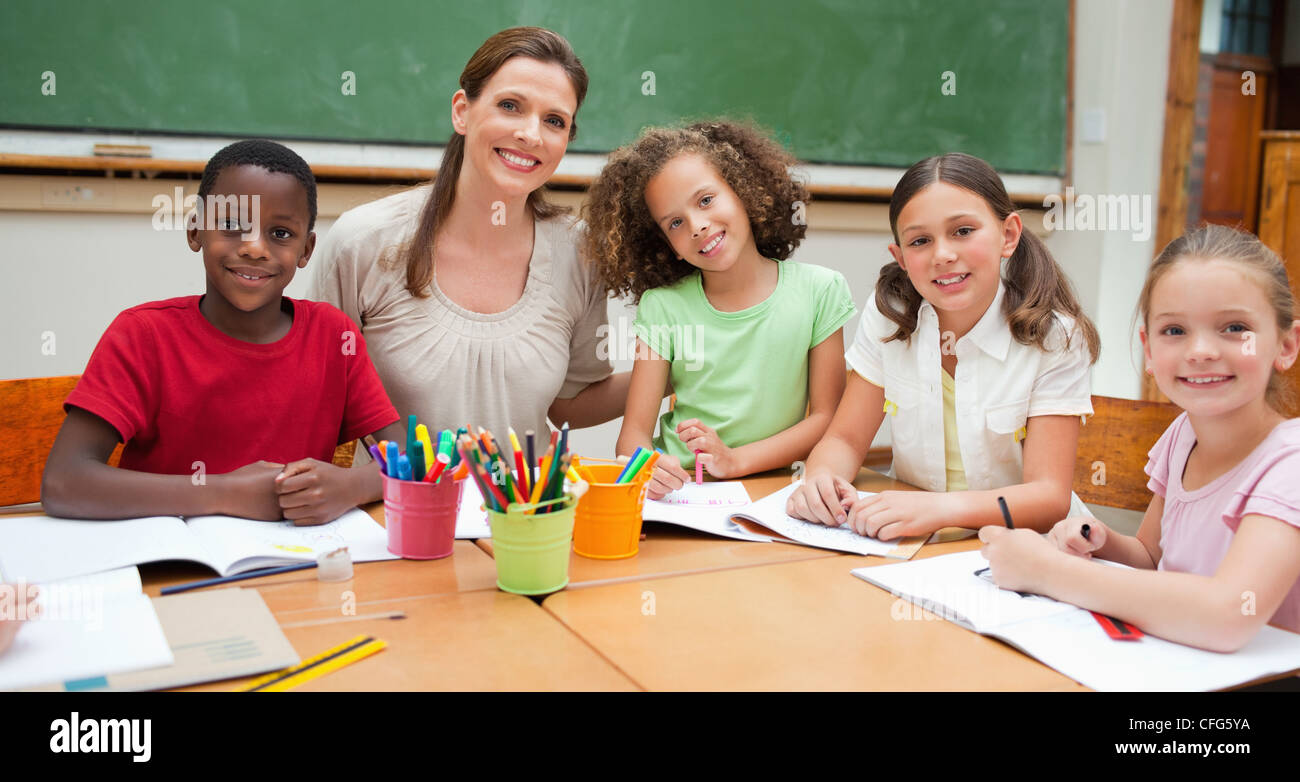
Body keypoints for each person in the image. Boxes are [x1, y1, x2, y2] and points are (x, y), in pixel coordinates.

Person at [42, 140, 402, 525]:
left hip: (296, 567)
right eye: (231, 225)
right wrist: (227, 492)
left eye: (280, 233)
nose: (254, 248)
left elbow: (409, 459)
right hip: (172, 567)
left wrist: (350, 487)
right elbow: (64, 482)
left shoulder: (333, 337)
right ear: (195, 230)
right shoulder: (144, 336)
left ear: (306, 249)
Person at [981, 225, 1300, 651]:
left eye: (1234, 327)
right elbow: (1151, 558)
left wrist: (1046, 572)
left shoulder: (1289, 465)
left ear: (1286, 344)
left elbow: (1229, 615)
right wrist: (1099, 539)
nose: (1200, 350)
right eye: (1175, 331)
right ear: (1149, 350)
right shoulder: (1184, 435)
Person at [308, 27, 628, 442]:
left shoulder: (581, 252)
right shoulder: (361, 242)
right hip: (394, 505)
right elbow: (316, 401)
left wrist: (680, 369)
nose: (531, 134)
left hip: (522, 506)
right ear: (462, 111)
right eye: (510, 106)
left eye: (554, 120)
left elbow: (570, 403)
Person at [788, 152, 1100, 540]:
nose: (943, 255)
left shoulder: (1055, 338)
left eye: (963, 231)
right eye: (921, 241)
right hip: (913, 545)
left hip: (1024, 547)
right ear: (900, 257)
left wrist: (940, 510)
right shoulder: (892, 315)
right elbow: (845, 440)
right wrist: (822, 479)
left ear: (1008, 235)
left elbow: (1048, 497)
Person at [584, 120, 854, 499]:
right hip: (686, 496)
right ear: (666, 244)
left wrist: (735, 460)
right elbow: (633, 436)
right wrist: (647, 466)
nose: (697, 226)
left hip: (773, 492)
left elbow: (827, 418)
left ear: (744, 191)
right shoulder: (663, 306)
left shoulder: (820, 291)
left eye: (706, 200)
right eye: (675, 222)